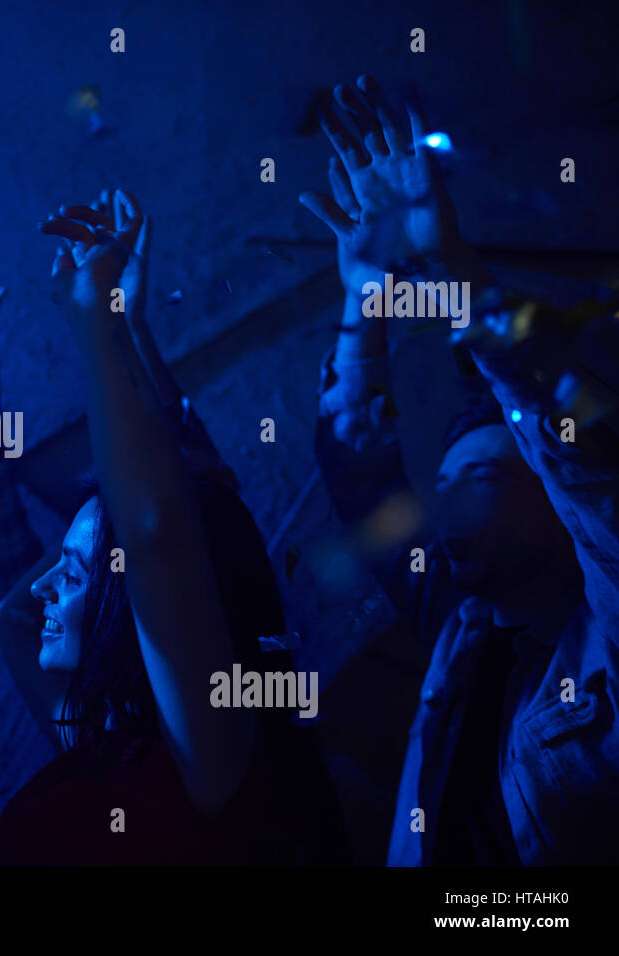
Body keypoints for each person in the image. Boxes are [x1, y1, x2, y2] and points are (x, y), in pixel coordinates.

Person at [0, 202, 344, 865]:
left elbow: (165, 529)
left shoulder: (208, 755)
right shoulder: (104, 747)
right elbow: (12, 608)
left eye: (76, 566)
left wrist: (100, 321)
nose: (42, 584)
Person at [301, 75, 619, 864]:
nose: (448, 516)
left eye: (481, 484)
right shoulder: (460, 621)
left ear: (558, 505)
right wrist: (364, 302)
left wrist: (452, 270)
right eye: (444, 490)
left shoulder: (606, 647)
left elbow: (584, 465)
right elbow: (360, 474)